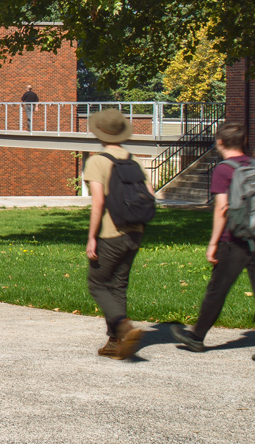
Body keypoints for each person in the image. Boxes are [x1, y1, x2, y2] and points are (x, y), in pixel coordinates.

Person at [172, 123, 255, 365]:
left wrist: (213, 243)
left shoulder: (224, 170)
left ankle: (196, 338)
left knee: (217, 289)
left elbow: (222, 209)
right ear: (243, 142)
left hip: (233, 240)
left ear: (220, 142)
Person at [82, 108, 148, 359]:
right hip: (136, 231)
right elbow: (150, 194)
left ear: (99, 132)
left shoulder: (97, 161)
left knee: (97, 284)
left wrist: (92, 237)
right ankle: (115, 343)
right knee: (118, 285)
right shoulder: (134, 160)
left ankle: (123, 325)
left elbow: (98, 202)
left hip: (111, 233)